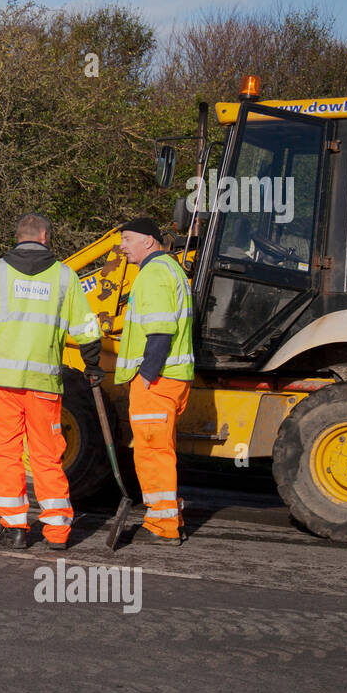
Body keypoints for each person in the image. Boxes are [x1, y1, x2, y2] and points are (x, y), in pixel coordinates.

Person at [0, 213, 104, 550]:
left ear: (19, 236)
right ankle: (58, 531)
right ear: (45, 236)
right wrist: (93, 366)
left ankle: (14, 527)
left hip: (2, 380)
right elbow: (88, 329)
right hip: (44, 381)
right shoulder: (65, 277)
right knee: (47, 454)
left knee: (5, 453)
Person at [115, 217, 195, 544]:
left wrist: (146, 376)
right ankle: (168, 517)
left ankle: (162, 526)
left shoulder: (153, 274)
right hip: (170, 378)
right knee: (161, 450)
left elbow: (161, 331)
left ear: (149, 241)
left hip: (158, 381)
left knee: (152, 453)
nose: (122, 246)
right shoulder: (171, 269)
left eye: (128, 239)